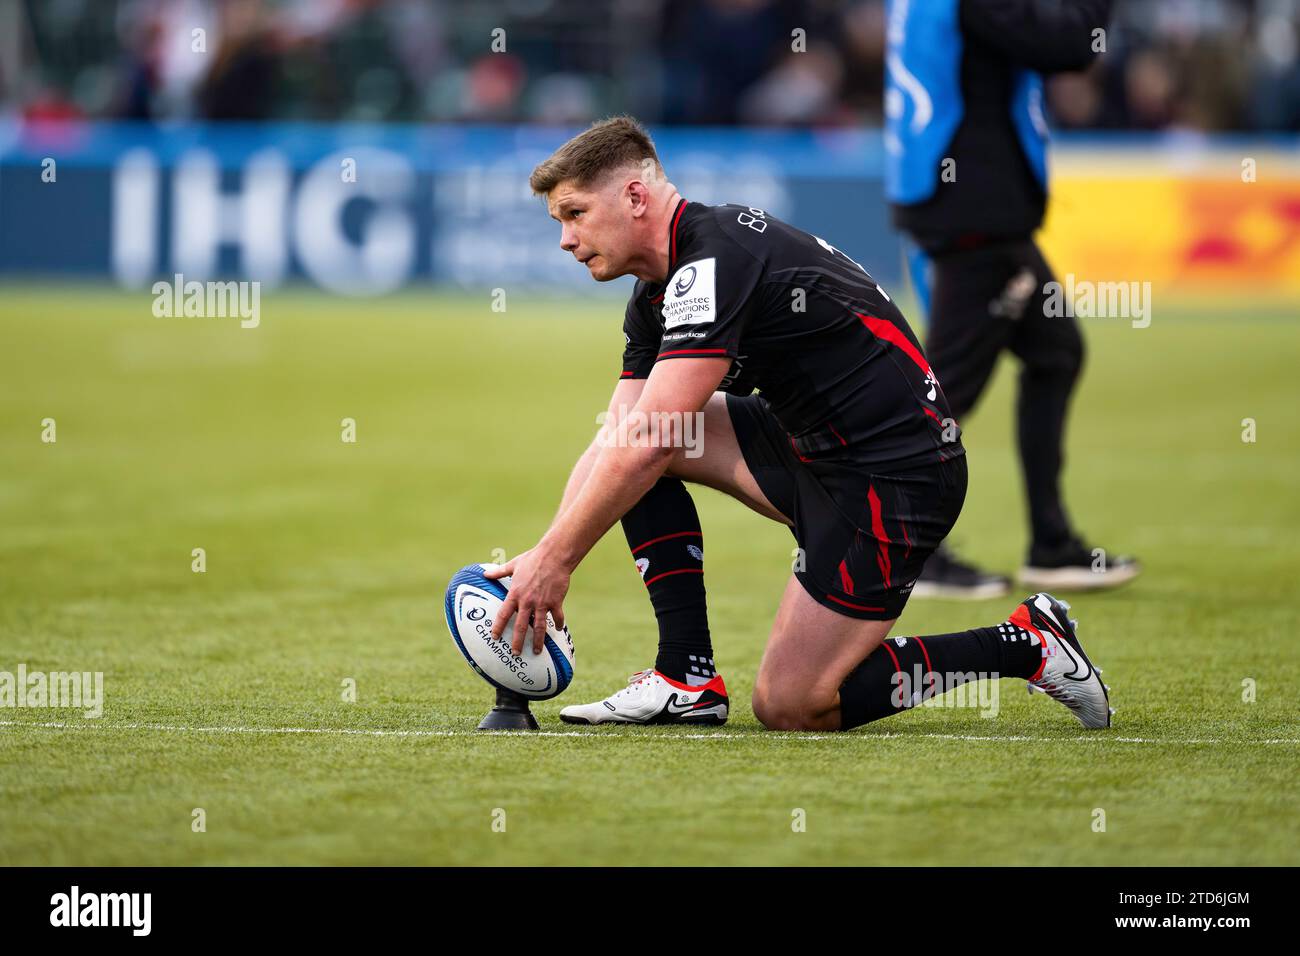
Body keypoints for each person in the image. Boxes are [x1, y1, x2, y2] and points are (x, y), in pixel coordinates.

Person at [486, 117, 1111, 731]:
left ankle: (1024, 643)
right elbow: (621, 438)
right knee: (638, 445)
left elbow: (648, 443)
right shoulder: (658, 289)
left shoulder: (715, 259)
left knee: (793, 704)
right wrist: (546, 551)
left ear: (634, 195)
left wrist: (559, 561)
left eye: (574, 214)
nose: (565, 239)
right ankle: (686, 678)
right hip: (809, 449)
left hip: (896, 479)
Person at [886, 0, 1139, 598]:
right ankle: (900, 547)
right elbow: (1072, 45)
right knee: (941, 390)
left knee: (1055, 352)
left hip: (967, 203)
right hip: (976, 212)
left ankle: (1050, 543)